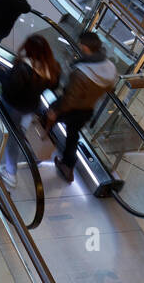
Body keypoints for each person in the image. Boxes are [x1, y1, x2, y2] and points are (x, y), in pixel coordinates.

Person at [45, 32, 117, 182]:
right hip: (87, 110)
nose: (78, 45)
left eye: (80, 43)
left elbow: (70, 99)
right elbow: (110, 88)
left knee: (48, 115)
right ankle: (68, 167)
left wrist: (55, 111)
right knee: (73, 137)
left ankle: (40, 143)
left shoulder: (82, 73)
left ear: (85, 47)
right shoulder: (109, 67)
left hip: (71, 109)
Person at [0, 33, 60, 188]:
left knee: (13, 137)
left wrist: (0, 72)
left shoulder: (23, 68)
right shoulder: (53, 68)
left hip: (14, 105)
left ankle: (11, 172)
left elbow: (11, 89)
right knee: (23, 128)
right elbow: (54, 86)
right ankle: (34, 156)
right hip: (32, 105)